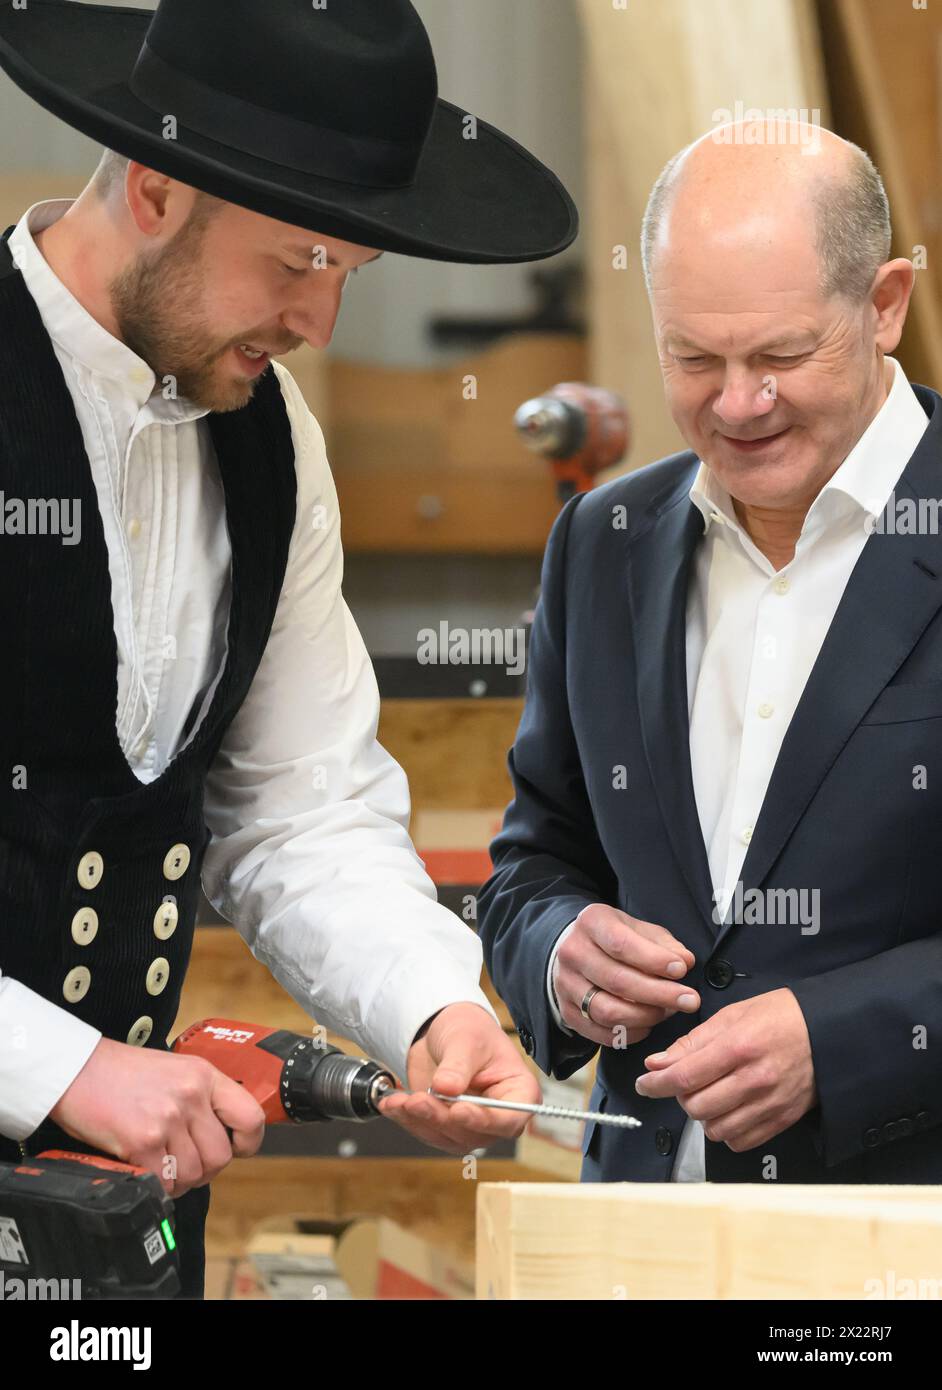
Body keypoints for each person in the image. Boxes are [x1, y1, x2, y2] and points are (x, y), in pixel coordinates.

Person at [0, 0, 577, 1297]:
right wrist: (68, 1067)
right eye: (297, 260)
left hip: (117, 1235)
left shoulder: (273, 441)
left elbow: (300, 807)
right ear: (154, 186)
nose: (319, 322)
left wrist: (435, 1008)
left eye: (347, 274)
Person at [478, 117, 942, 1186]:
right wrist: (560, 952)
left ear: (885, 305)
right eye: (693, 357)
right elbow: (535, 856)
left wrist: (843, 1039)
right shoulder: (605, 545)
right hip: (645, 1237)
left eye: (782, 356)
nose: (738, 405)